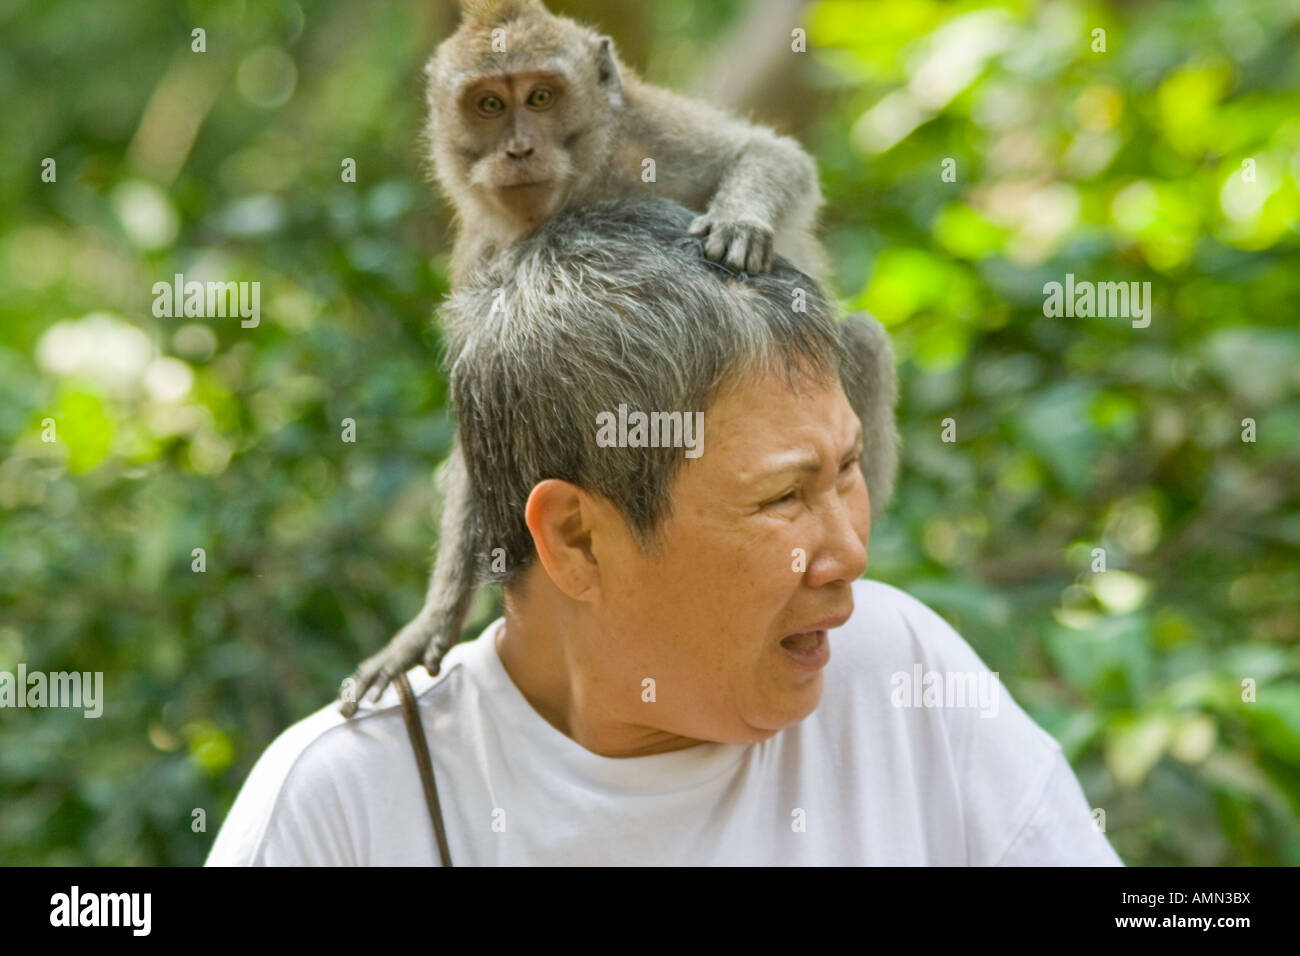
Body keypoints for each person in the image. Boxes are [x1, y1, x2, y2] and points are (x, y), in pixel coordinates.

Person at [206, 199, 1122, 866]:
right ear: (576, 541)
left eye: (847, 472)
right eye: (783, 500)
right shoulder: (346, 809)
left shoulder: (900, 675)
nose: (850, 555)